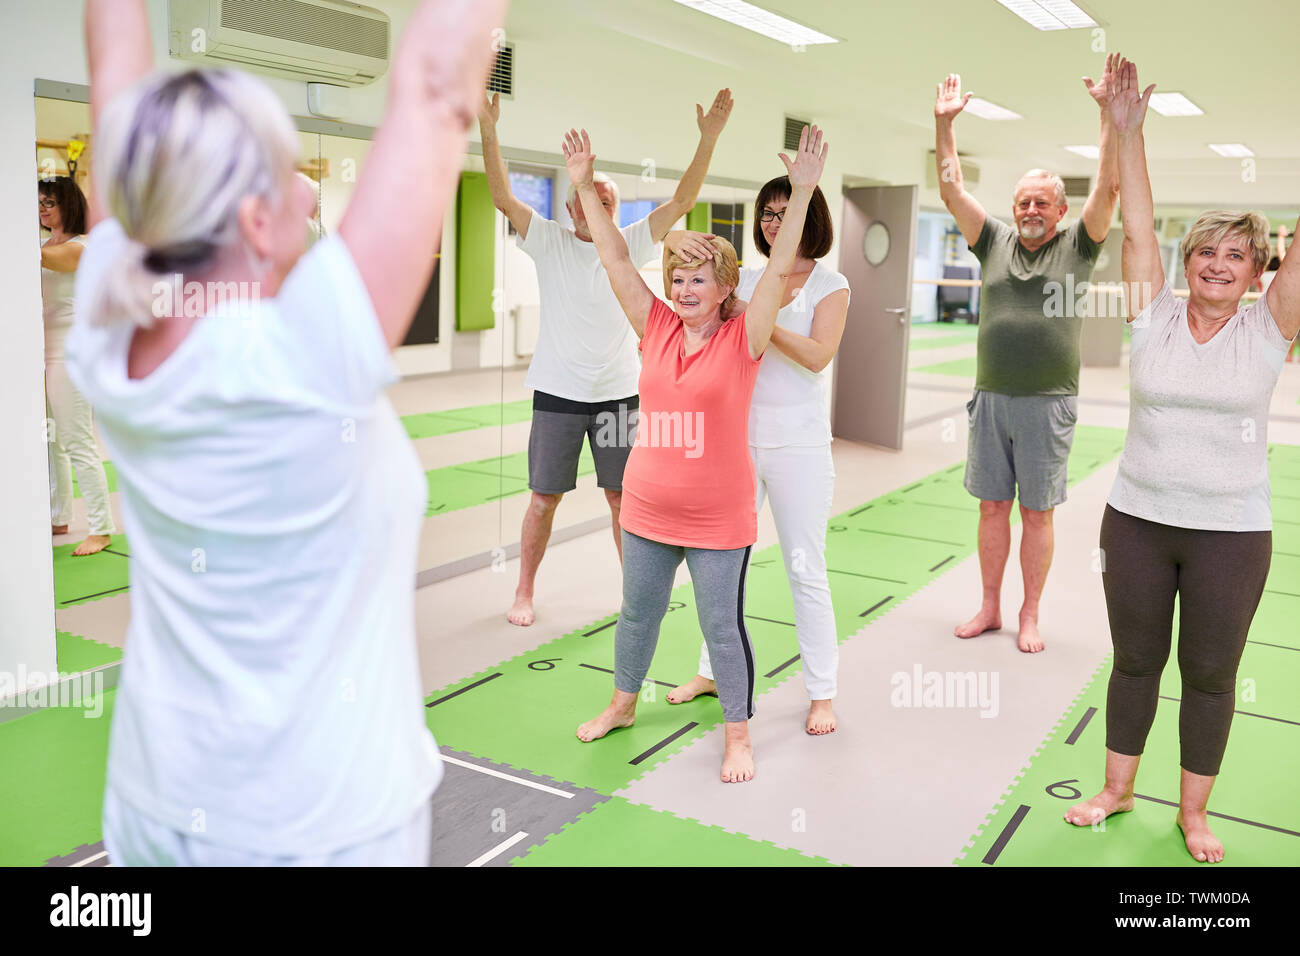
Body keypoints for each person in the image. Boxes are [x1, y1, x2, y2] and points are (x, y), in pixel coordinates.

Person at [70, 0, 503, 866]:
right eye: (291, 175)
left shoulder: (107, 319)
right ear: (257, 225)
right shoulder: (307, 356)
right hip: (323, 831)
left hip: (158, 809)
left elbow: (114, 56)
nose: (313, 187)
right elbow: (432, 84)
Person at [1064, 60, 1299, 864]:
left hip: (1230, 534)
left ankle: (1193, 815)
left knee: (1208, 674)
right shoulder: (1152, 315)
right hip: (1135, 521)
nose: (1220, 263)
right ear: (1189, 258)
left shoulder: (1268, 331)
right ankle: (1117, 788)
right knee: (1134, 664)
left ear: (1257, 270)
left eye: (1239, 254)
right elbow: (1136, 225)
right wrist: (1127, 131)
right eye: (1208, 249)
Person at [569, 123, 830, 783]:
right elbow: (616, 262)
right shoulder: (653, 325)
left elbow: (776, 274)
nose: (684, 290)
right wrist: (580, 186)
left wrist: (801, 193)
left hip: (719, 516)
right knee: (637, 612)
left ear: (723, 288)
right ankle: (623, 703)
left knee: (722, 625)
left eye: (698, 280)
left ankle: (737, 735)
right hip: (649, 505)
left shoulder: (744, 335)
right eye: (678, 278)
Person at [477, 88, 734, 627]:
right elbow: (502, 195)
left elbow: (683, 200)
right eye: (589, 199)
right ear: (573, 204)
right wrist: (488, 126)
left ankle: (633, 599)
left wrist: (707, 139)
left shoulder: (630, 242)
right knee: (544, 500)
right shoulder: (547, 239)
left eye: (609, 201)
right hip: (558, 394)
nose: (599, 208)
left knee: (623, 501)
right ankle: (523, 591)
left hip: (619, 395)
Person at [934, 56, 1123, 653]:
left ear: (1060, 209)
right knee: (993, 509)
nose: (1031, 211)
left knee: (1036, 515)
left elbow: (1108, 186)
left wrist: (1107, 119)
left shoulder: (1081, 245)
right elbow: (949, 186)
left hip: (1047, 403)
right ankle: (989, 607)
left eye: (1042, 202)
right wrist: (945, 124)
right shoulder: (991, 238)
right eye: (1023, 202)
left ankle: (1030, 614)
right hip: (991, 398)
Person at [661, 176, 850, 735]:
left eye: (785, 211)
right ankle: (710, 670)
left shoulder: (830, 285)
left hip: (800, 447)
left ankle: (822, 692)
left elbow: (818, 356)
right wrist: (697, 248)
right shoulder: (740, 277)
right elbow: (670, 248)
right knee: (721, 566)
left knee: (805, 570)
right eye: (766, 212)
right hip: (738, 443)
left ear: (810, 216)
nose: (773, 221)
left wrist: (756, 315)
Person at [40, 175, 115, 556]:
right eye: (39, 202)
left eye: (49, 202)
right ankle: (58, 516)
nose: (41, 208)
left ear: (68, 205)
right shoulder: (40, 244)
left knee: (76, 440)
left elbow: (39, 258)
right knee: (50, 442)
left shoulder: (81, 247)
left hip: (69, 355)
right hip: (40, 354)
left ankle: (101, 528)